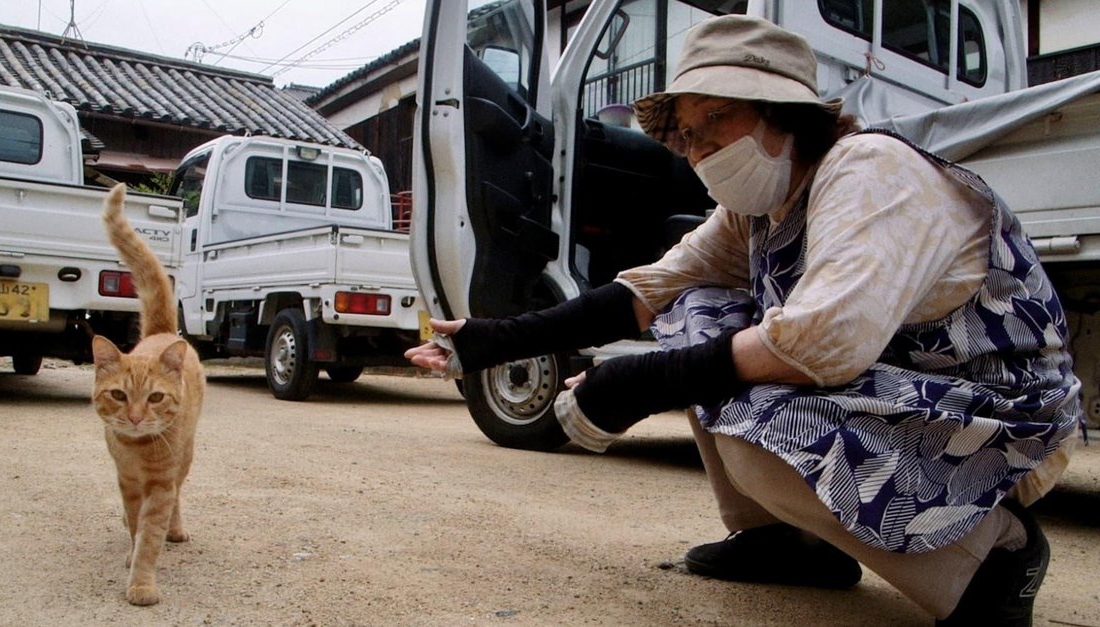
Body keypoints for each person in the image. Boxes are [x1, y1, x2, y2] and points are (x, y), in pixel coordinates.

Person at [405, 15, 1082, 627]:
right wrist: (488, 340)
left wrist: (633, 384)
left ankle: (992, 556)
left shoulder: (868, 169)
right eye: (689, 134)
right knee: (698, 313)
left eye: (718, 120)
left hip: (1007, 417)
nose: (699, 149)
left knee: (765, 432)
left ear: (781, 113)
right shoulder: (759, 210)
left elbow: (825, 342)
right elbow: (649, 290)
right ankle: (787, 541)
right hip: (912, 390)